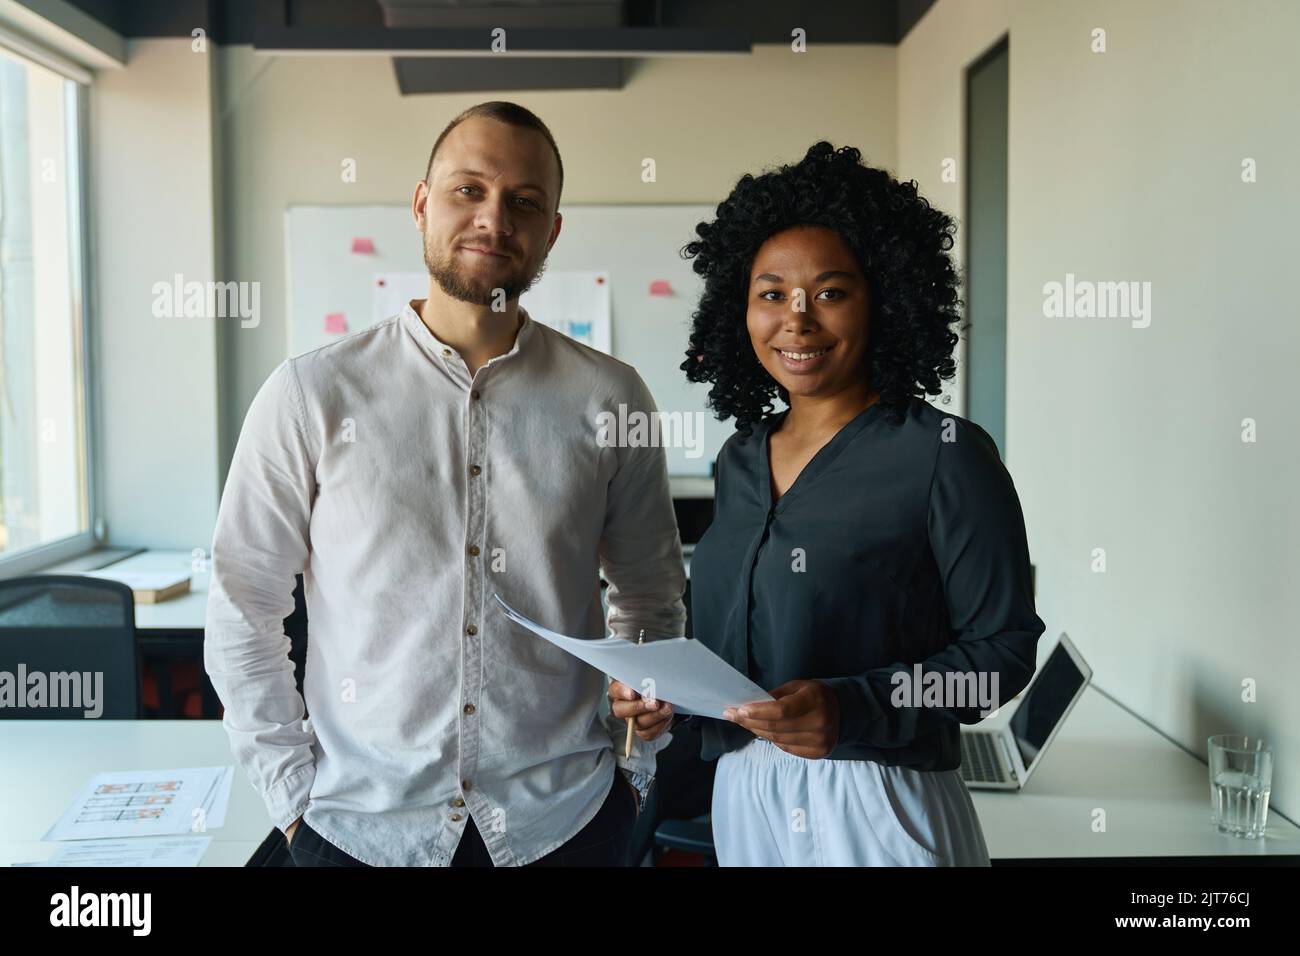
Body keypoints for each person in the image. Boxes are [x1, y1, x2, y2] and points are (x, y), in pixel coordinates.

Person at [205, 101, 684, 867]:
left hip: (565, 823)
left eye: (525, 201)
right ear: (423, 204)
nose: (495, 218)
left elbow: (650, 599)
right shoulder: (311, 394)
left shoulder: (611, 398)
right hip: (358, 827)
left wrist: (634, 759)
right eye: (469, 190)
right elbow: (242, 608)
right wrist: (290, 797)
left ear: (551, 230)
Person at [621, 141, 1046, 866]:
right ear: (740, 310)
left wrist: (854, 706)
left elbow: (1000, 657)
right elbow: (737, 641)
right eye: (772, 293)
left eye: (831, 292)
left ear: (884, 299)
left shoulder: (943, 453)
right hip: (743, 795)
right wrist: (667, 698)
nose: (798, 319)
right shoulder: (740, 459)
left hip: (878, 802)